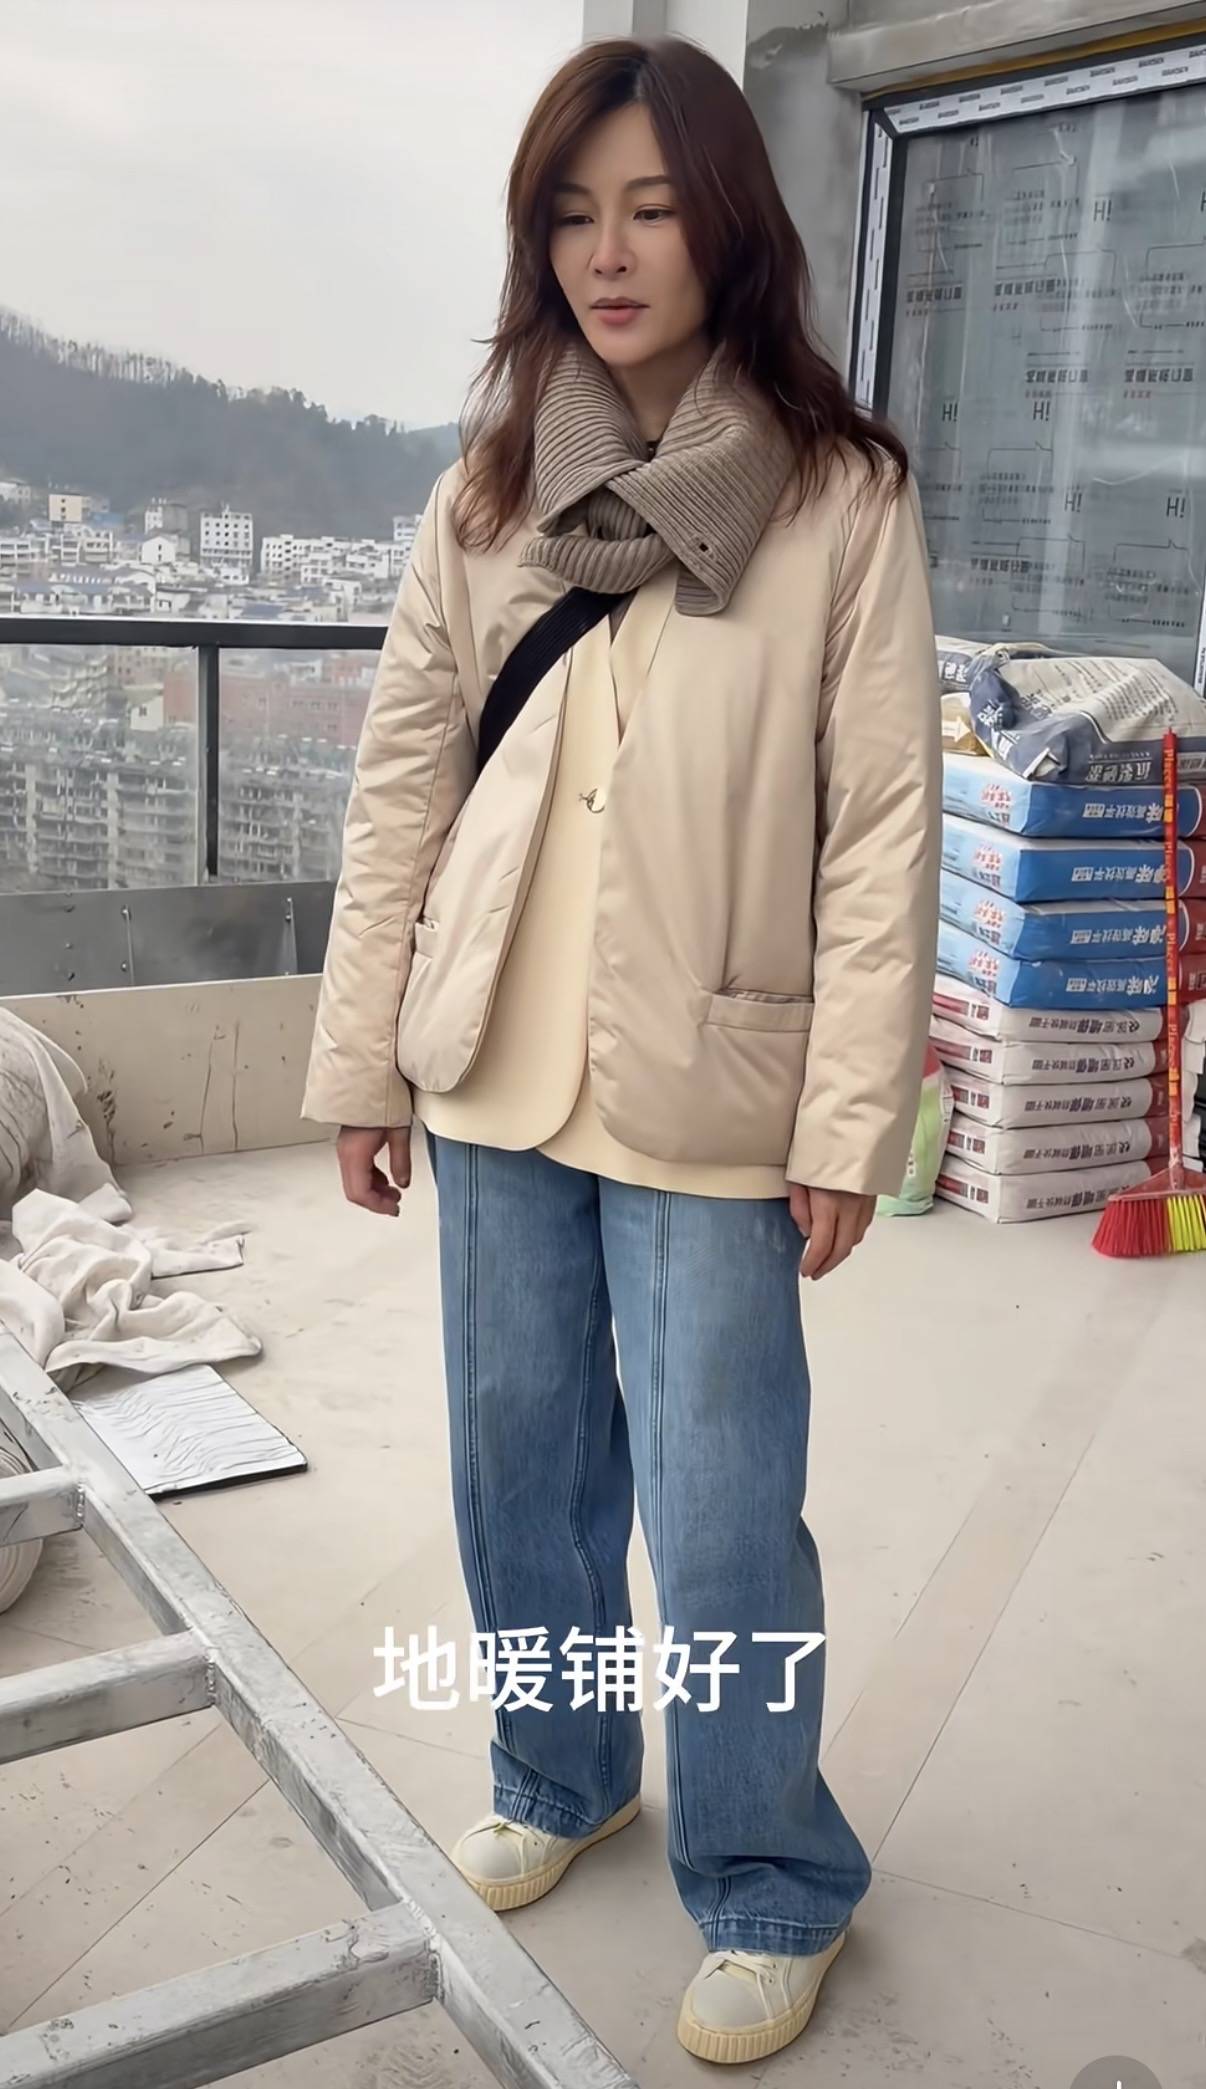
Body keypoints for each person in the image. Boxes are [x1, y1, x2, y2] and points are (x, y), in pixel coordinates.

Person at [304, 34, 940, 2067]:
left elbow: (880, 828)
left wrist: (850, 1115)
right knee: (523, 1470)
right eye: (573, 213)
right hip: (494, 1063)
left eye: (653, 206)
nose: (609, 249)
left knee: (726, 1510)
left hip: (713, 1080)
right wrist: (362, 1063)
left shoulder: (841, 499)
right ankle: (562, 1768)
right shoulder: (487, 491)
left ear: (727, 224)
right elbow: (403, 788)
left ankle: (768, 1875)